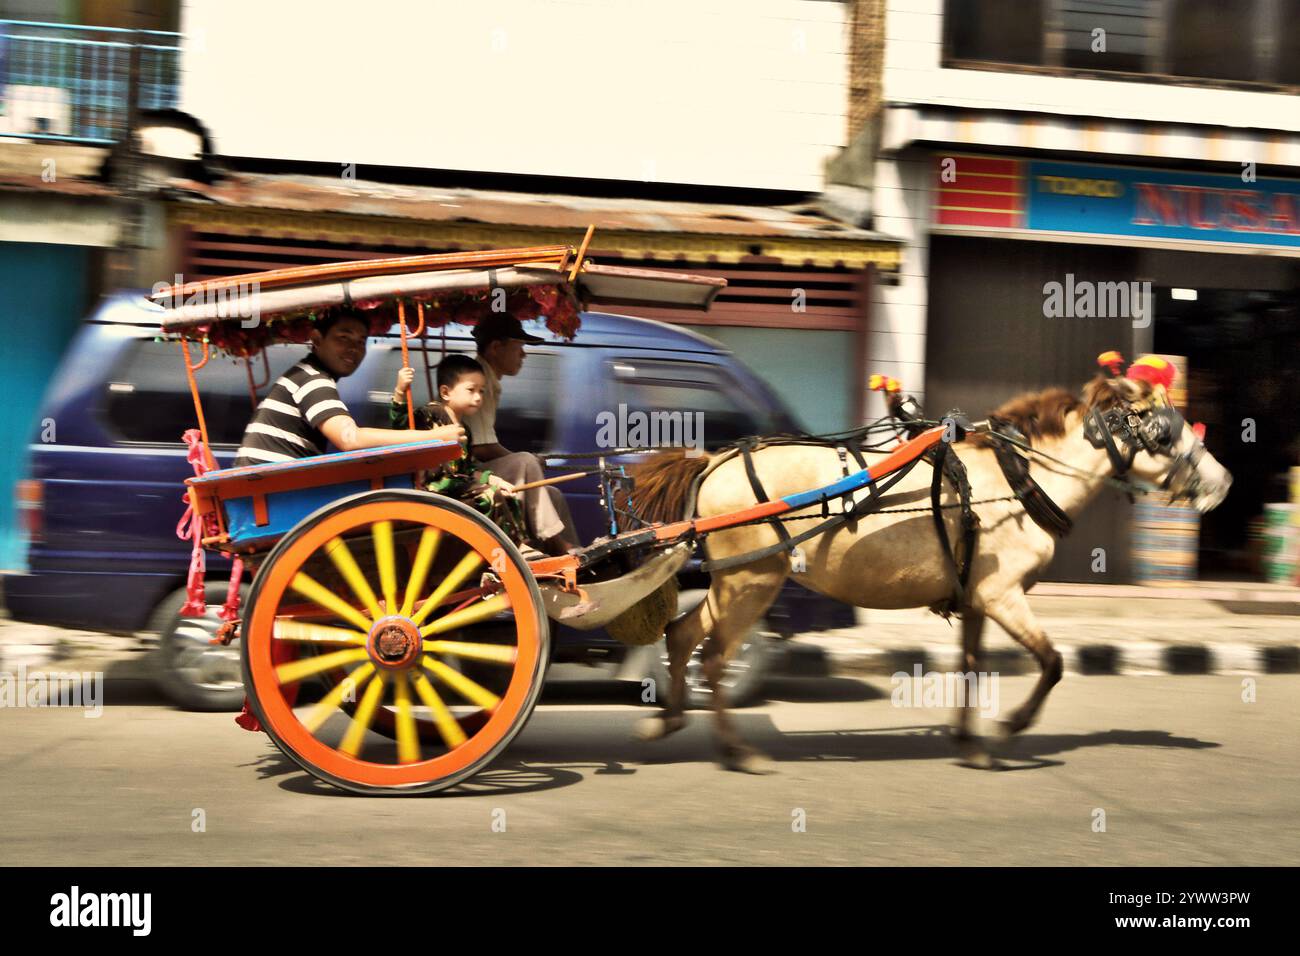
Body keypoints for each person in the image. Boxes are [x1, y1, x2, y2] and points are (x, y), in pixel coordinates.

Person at [233, 310, 462, 467]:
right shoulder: (312, 379)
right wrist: (432, 436)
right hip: (274, 491)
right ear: (317, 339)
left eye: (361, 341)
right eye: (343, 338)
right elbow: (349, 438)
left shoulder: (307, 374)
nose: (354, 349)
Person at [462, 313, 579, 555]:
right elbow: (481, 448)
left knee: (553, 493)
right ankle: (558, 547)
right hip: (466, 474)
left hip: (478, 469)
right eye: (519, 348)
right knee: (525, 461)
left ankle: (569, 553)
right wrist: (528, 461)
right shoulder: (478, 382)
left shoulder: (489, 380)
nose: (524, 355)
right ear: (496, 347)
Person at [390, 354, 526, 544]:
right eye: (471, 390)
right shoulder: (430, 413)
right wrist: (400, 392)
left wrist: (494, 479)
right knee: (490, 495)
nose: (478, 397)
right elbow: (402, 428)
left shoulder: (465, 430)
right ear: (446, 392)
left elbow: (467, 469)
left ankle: (520, 546)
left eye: (482, 391)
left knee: (507, 496)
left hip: (458, 487)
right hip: (434, 489)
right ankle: (508, 548)